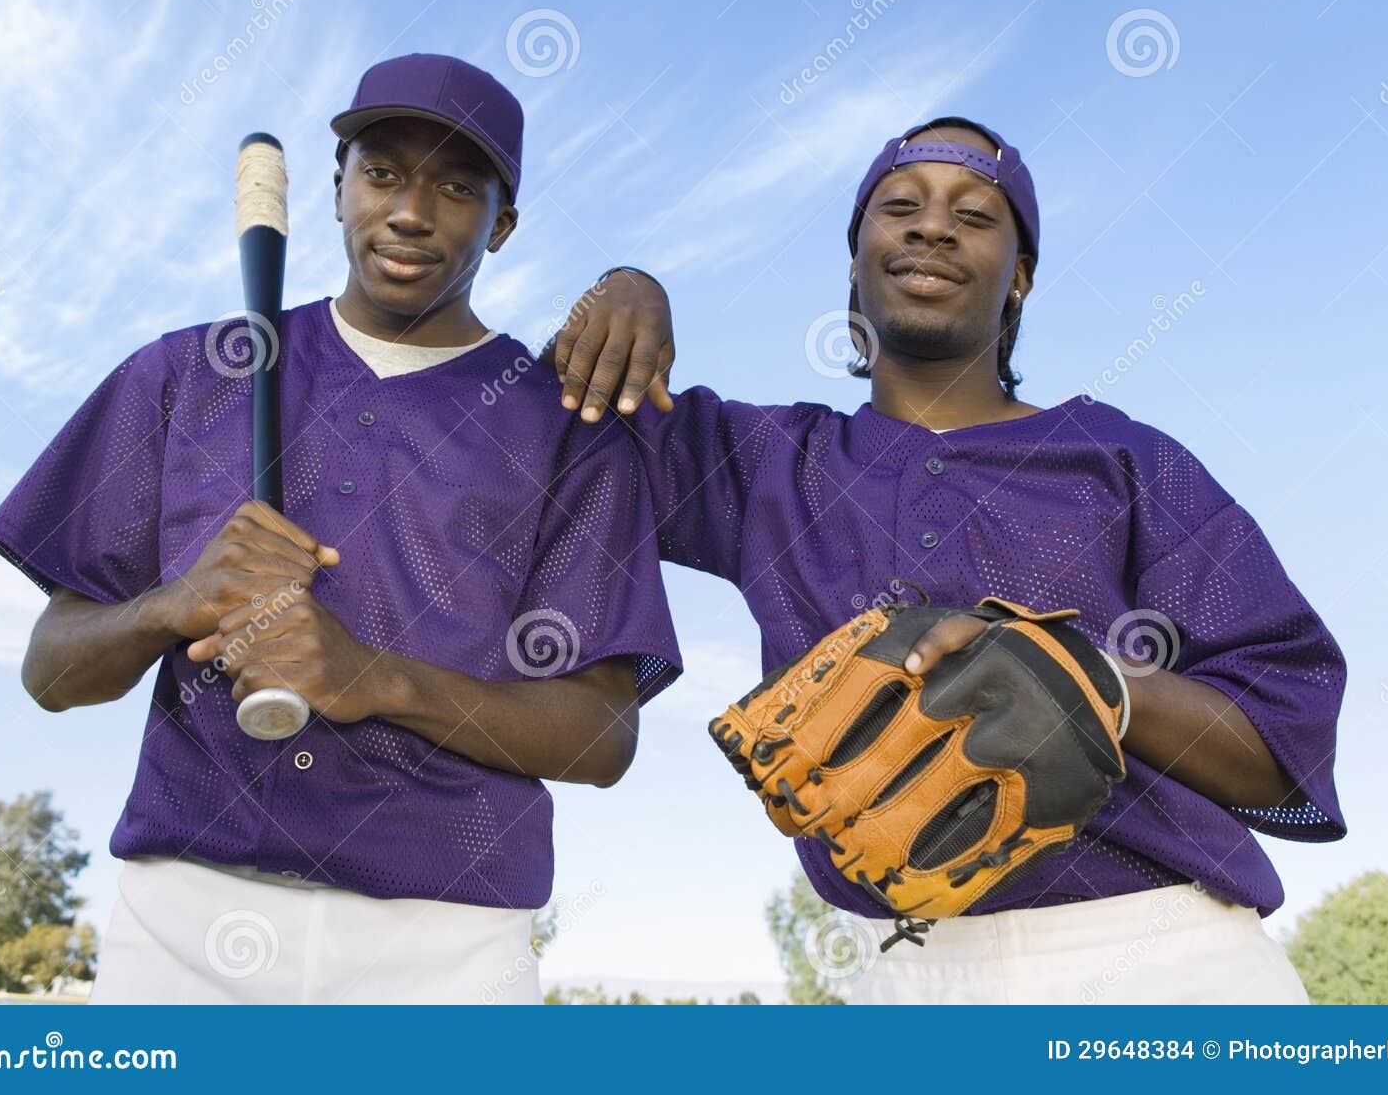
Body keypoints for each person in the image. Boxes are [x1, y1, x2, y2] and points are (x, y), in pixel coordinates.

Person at [551, 118, 1346, 1004]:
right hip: (898, 972)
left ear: (1021, 277)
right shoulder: (768, 463)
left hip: (1160, 956)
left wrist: (1096, 683)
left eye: (974, 215)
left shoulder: (1125, 461)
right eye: (900, 207)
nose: (932, 226)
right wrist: (625, 289)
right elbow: (553, 433)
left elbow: (1280, 738)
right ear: (855, 261)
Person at [0, 53, 680, 1004]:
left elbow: (601, 738)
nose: (410, 212)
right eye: (382, 173)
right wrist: (170, 607)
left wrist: (376, 679)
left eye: (457, 187)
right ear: (337, 189)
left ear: (502, 224)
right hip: (182, 916)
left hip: (450, 939)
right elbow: (50, 673)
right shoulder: (189, 372)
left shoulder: (564, 425)